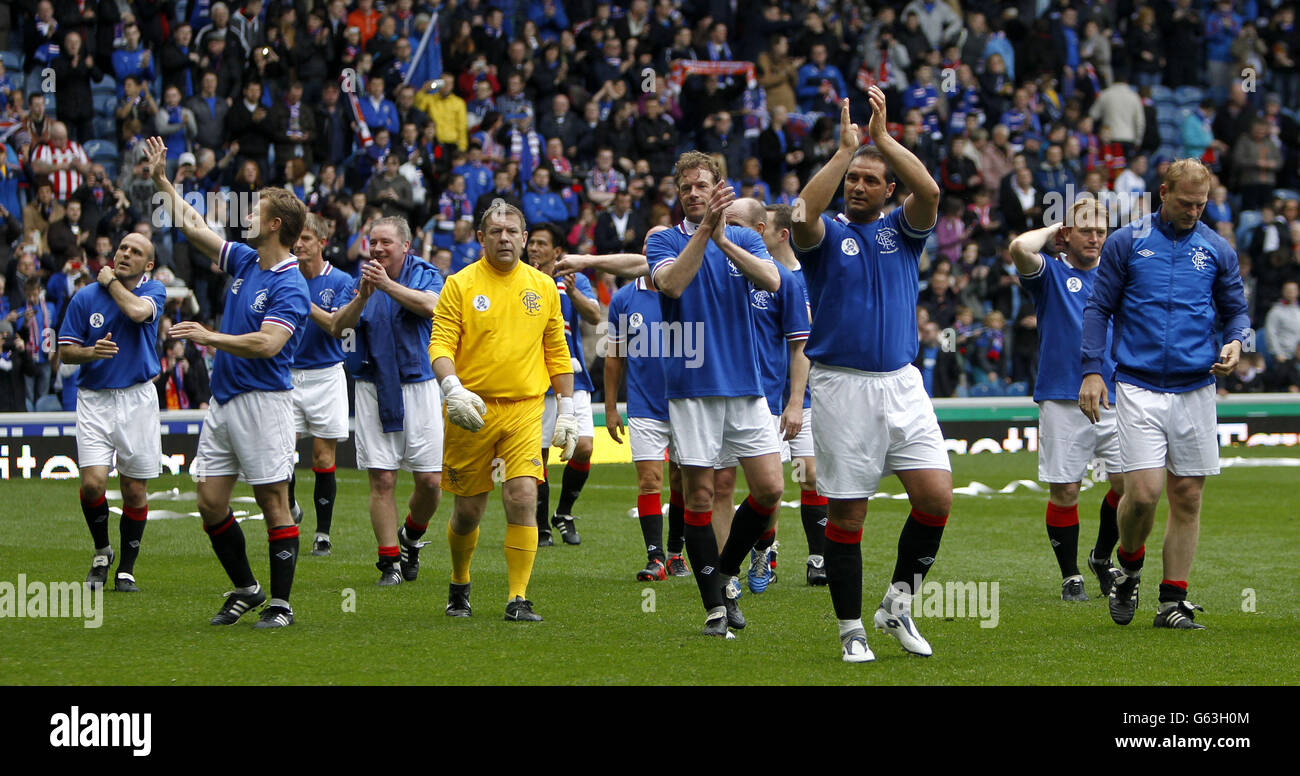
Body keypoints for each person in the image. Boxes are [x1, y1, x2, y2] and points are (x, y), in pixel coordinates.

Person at [790, 92, 946, 663]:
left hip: (903, 383)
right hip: (841, 386)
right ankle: (850, 626)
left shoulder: (904, 232)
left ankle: (897, 605)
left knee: (935, 499)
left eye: (868, 180)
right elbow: (800, 215)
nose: (857, 185)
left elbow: (929, 191)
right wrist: (845, 151)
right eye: (851, 179)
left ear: (888, 191)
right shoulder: (826, 236)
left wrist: (883, 141)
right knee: (849, 512)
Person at [145, 136, 310, 629]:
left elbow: (268, 345)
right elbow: (195, 227)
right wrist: (161, 181)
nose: (246, 216)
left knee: (273, 502)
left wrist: (209, 335)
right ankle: (247, 587)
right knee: (210, 502)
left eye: (256, 210)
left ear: (276, 224)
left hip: (264, 403)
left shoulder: (289, 282)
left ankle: (282, 604)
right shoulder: (245, 261)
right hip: (226, 400)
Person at [1080, 158, 1250, 630]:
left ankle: (1172, 601)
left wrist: (1235, 341)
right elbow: (1098, 309)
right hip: (1137, 384)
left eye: (1201, 204)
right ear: (1163, 193)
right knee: (1145, 492)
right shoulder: (1126, 242)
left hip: (1196, 388)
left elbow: (1237, 312)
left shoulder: (1217, 249)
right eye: (1185, 202)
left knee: (1189, 496)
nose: (1194, 211)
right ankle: (1129, 568)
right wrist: (1093, 371)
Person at [644, 151, 784, 639]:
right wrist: (705, 235)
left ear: (718, 186)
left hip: (745, 384)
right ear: (678, 194)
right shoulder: (662, 239)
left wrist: (724, 238)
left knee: (769, 488)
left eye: (702, 186)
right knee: (701, 495)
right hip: (693, 387)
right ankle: (715, 607)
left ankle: (724, 573)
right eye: (686, 189)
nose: (694, 194)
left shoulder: (743, 236)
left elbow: (772, 280)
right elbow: (673, 284)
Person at [427, 200, 576, 622]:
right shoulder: (458, 284)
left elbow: (557, 352)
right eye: (496, 231)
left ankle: (518, 598)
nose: (505, 238)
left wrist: (566, 409)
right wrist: (452, 388)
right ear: (481, 238)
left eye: (513, 231)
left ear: (526, 239)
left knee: (523, 496)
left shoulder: (543, 287)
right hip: (469, 409)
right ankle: (459, 582)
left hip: (525, 408)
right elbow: (439, 344)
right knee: (469, 509)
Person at [1010, 198, 1126, 603]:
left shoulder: (1118, 280)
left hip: (1117, 395)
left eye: (1100, 231)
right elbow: (1020, 249)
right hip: (1062, 396)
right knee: (1066, 491)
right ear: (1068, 235)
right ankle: (1070, 574)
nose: (1094, 238)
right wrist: (1056, 226)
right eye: (1085, 230)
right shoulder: (1051, 275)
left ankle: (1100, 556)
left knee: (1130, 486)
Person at [326, 217, 444, 585]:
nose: (376, 248)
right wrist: (363, 296)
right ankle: (389, 562)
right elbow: (337, 326)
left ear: (405, 246)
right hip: (373, 385)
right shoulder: (356, 281)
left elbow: (432, 306)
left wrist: (387, 286)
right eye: (372, 241)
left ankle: (411, 534)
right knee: (382, 479)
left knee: (429, 482)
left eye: (385, 242)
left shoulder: (424, 273)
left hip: (419, 384)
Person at [57, 233, 166, 593]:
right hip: (95, 399)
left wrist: (110, 282)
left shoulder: (155, 292)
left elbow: (136, 312)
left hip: (138, 398)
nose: (125, 254)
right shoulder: (85, 297)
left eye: (135, 252)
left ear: (148, 265)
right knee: (93, 484)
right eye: (122, 248)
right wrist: (91, 352)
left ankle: (127, 569)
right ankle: (102, 551)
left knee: (135, 490)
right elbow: (66, 351)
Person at [722, 199, 813, 596]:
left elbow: (800, 346)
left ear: (757, 232)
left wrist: (795, 402)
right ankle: (722, 573)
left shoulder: (784, 281)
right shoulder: (712, 273)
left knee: (770, 487)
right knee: (718, 486)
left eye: (734, 224)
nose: (722, 229)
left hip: (767, 401)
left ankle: (763, 547)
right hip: (718, 395)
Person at [593, 226, 690, 581]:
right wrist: (611, 406)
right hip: (645, 405)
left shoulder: (686, 290)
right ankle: (656, 558)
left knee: (682, 481)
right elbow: (615, 356)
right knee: (650, 481)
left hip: (685, 403)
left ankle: (678, 552)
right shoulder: (623, 299)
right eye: (648, 244)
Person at [765, 201, 829, 587]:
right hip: (766, 393)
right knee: (770, 484)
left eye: (764, 228)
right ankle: (766, 554)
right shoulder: (755, 276)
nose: (756, 233)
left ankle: (818, 557)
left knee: (811, 476)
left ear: (782, 234)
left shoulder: (810, 278)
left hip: (803, 396)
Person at [526, 223, 600, 547]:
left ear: (557, 251)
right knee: (538, 455)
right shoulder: (520, 278)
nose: (534, 249)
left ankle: (564, 512)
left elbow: (595, 315)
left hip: (573, 375)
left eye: (542, 244)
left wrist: (573, 292)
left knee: (583, 447)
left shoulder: (574, 278)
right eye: (532, 243)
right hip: (534, 377)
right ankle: (540, 526)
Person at [286, 214, 355, 557]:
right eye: (295, 239)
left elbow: (336, 326)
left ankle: (322, 534)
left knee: (323, 456)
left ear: (322, 243)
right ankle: (290, 506)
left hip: (326, 374)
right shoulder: (284, 277)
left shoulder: (341, 280)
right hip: (287, 375)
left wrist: (303, 301)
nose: (299, 245)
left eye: (306, 239)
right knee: (282, 451)